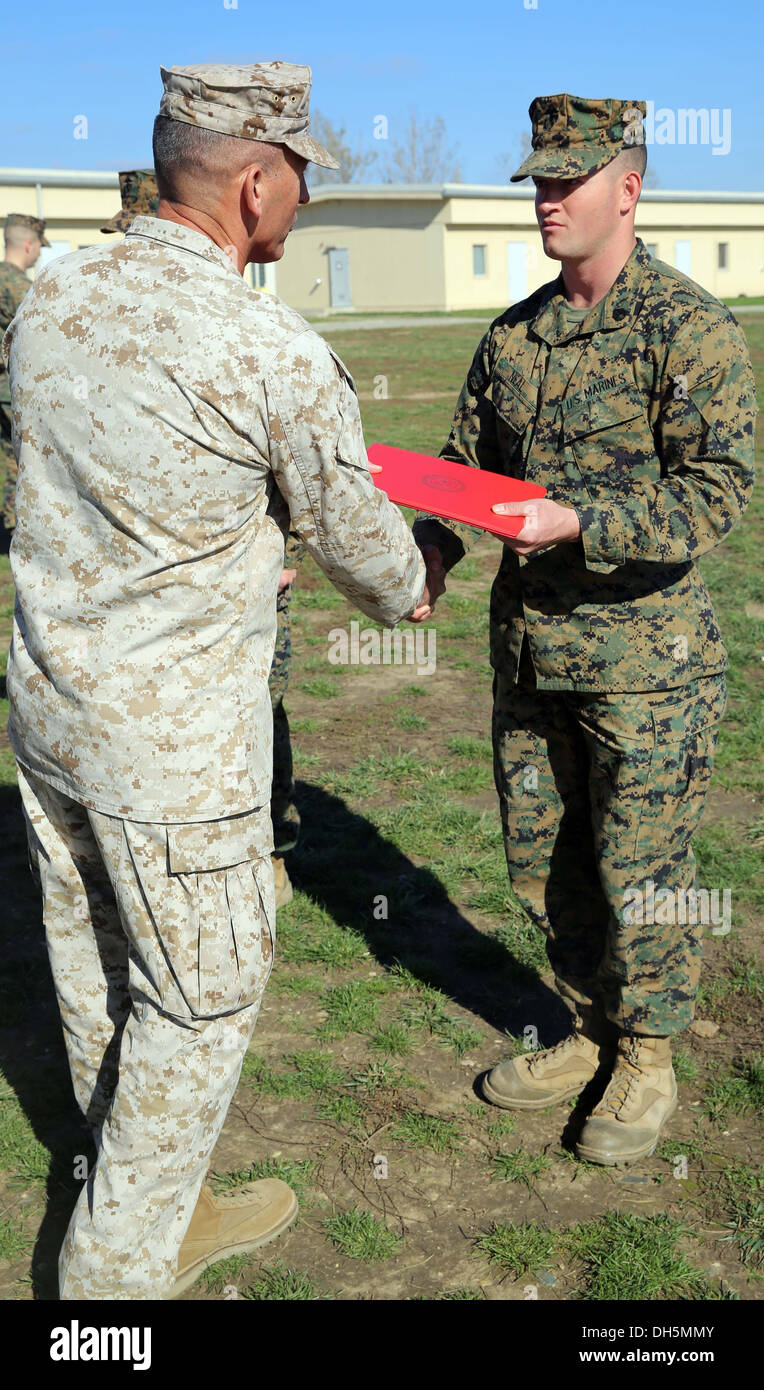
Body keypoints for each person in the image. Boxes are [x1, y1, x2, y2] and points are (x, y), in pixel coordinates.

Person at [3, 59, 444, 1300]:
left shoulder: (56, 287)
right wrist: (428, 570)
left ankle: (154, 1192)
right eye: (301, 179)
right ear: (253, 184)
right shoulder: (267, 344)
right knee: (197, 1006)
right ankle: (111, 1285)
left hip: (49, 714)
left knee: (95, 967)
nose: (304, 204)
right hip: (174, 752)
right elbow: (374, 567)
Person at [413, 94, 756, 1166]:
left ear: (627, 187)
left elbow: (720, 492)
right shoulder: (512, 335)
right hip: (529, 658)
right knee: (544, 860)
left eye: (567, 180)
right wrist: (430, 551)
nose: (547, 200)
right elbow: (464, 471)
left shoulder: (685, 326)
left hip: (643, 666)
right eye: (538, 181)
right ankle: (583, 1025)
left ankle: (645, 1057)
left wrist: (582, 521)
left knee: (640, 867)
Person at [101, 168, 303, 909]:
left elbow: (288, 468)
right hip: (140, 578)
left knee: (255, 711)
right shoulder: (101, 335)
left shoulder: (242, 331)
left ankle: (269, 849)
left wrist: (284, 556)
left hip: (238, 576)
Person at [0, 213, 49, 533]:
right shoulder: (20, 286)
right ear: (28, 245)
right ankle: (18, 529)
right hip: (10, 388)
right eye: (39, 247)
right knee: (23, 460)